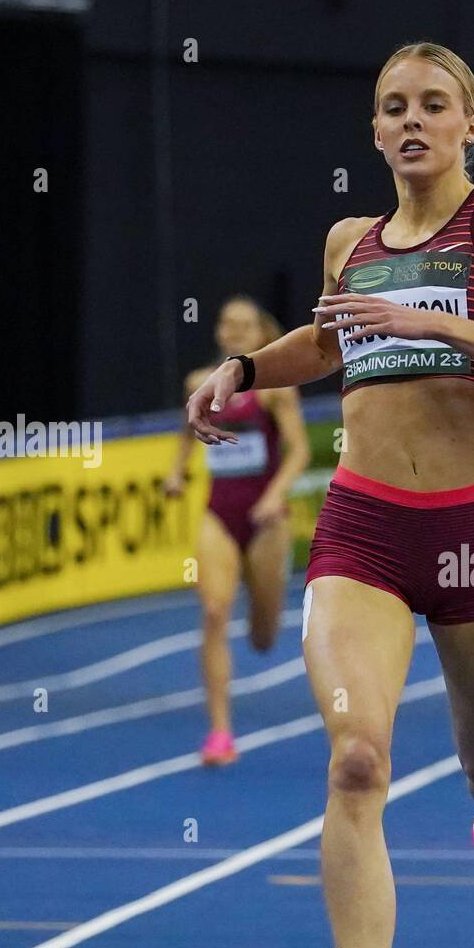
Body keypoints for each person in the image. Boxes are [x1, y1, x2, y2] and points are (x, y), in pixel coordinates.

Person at [186, 42, 474, 948]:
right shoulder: (348, 242)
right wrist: (239, 372)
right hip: (363, 527)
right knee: (357, 760)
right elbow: (324, 347)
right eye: (392, 107)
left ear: (470, 125)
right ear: (373, 133)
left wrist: (434, 322)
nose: (412, 120)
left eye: (435, 105)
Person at [166, 297, 309, 764]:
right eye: (226, 324)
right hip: (218, 514)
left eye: (244, 326)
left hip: (265, 519)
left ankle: (263, 617)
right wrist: (176, 474)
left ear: (260, 335)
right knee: (212, 610)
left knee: (263, 637)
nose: (233, 331)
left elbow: (300, 451)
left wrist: (274, 496)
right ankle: (220, 733)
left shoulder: (274, 389)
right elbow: (188, 436)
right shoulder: (197, 383)